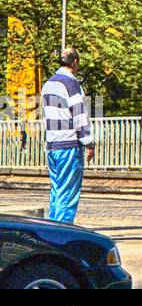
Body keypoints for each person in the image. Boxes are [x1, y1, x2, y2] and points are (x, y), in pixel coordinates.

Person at [41, 48, 94, 224]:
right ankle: (62, 233)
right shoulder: (71, 84)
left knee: (57, 190)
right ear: (75, 62)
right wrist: (88, 142)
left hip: (52, 144)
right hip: (69, 144)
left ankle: (52, 228)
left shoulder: (48, 83)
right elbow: (79, 114)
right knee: (68, 192)